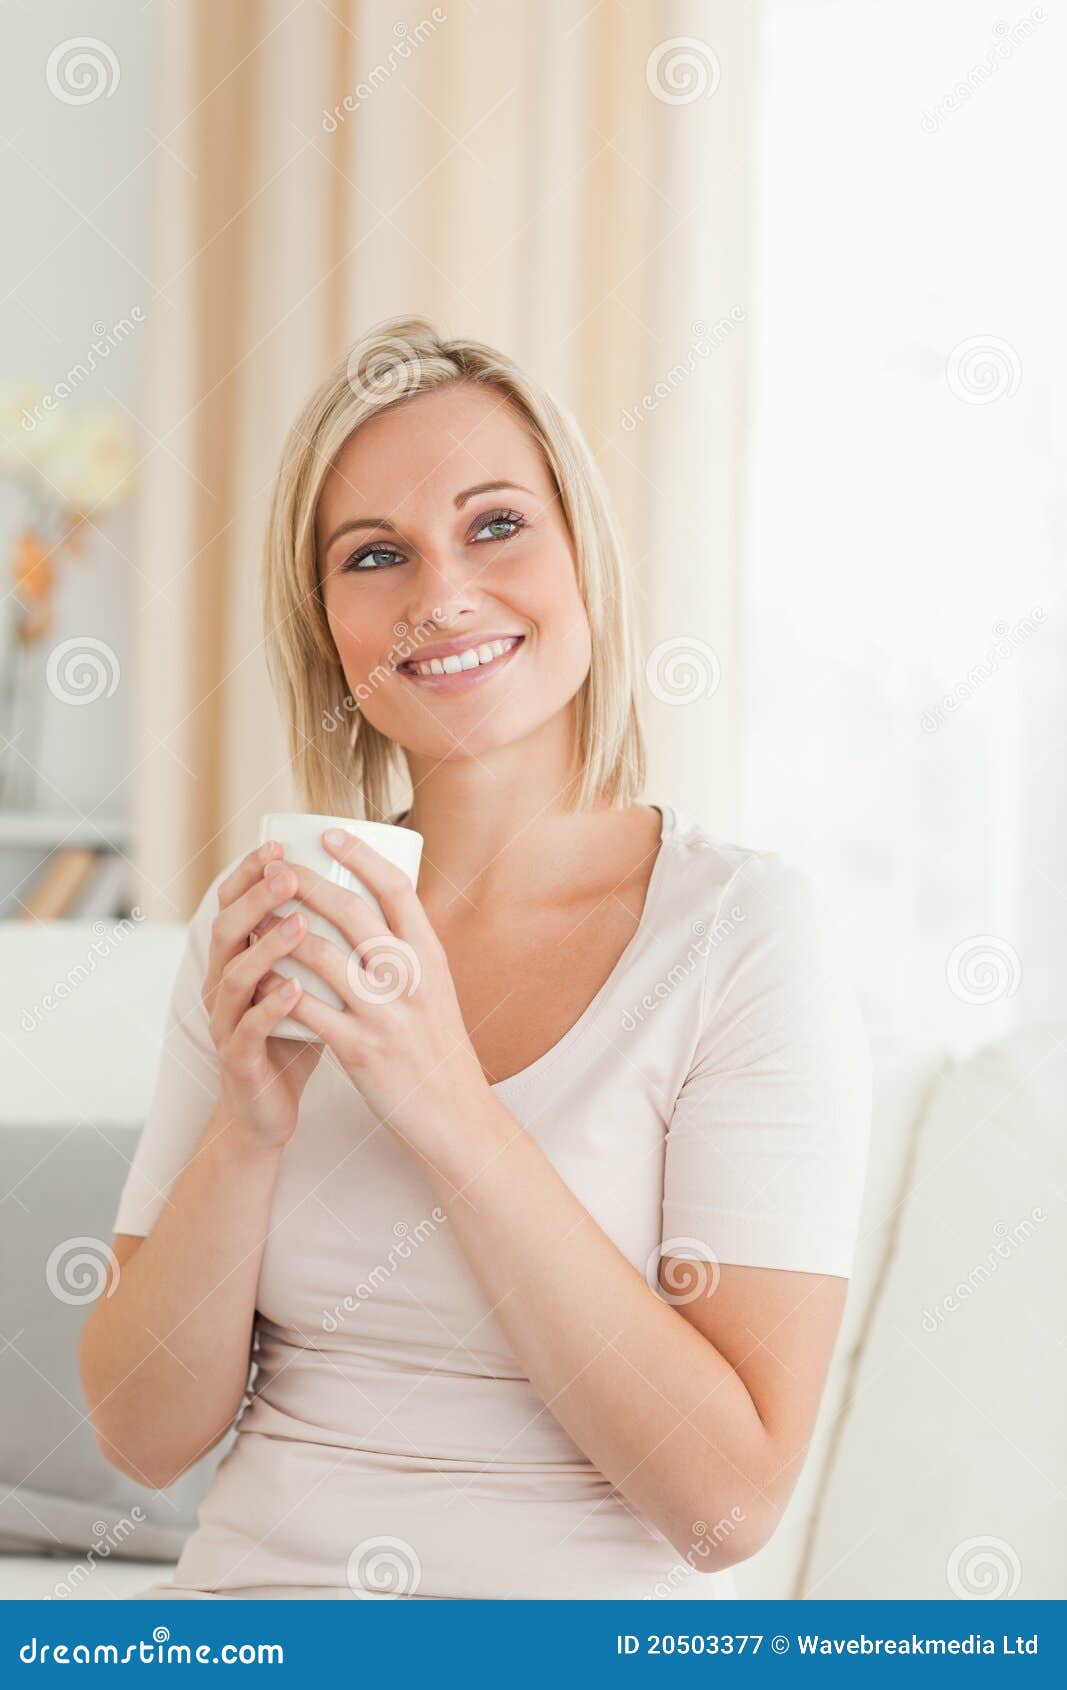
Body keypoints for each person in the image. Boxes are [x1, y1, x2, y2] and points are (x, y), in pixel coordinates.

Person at [79, 317, 871, 1600]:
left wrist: (447, 1105)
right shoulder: (273, 919)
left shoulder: (742, 937)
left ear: (581, 556)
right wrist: (245, 1126)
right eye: (375, 555)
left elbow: (727, 1504)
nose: (439, 594)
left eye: (494, 524)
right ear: (325, 625)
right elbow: (142, 1433)